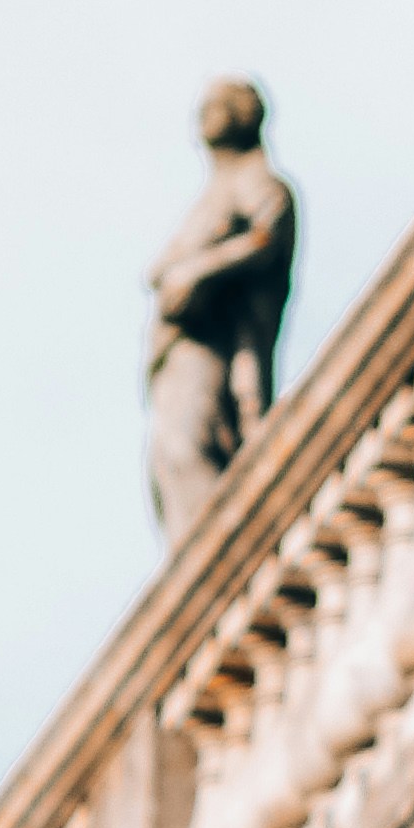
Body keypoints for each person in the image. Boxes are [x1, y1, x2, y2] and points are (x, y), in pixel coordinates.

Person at [146, 84, 299, 544]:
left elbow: (265, 240)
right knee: (169, 458)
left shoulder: (259, 183)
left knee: (191, 444)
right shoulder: (216, 192)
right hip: (178, 347)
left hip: (210, 342)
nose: (205, 114)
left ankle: (212, 554)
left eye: (219, 105)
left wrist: (197, 272)